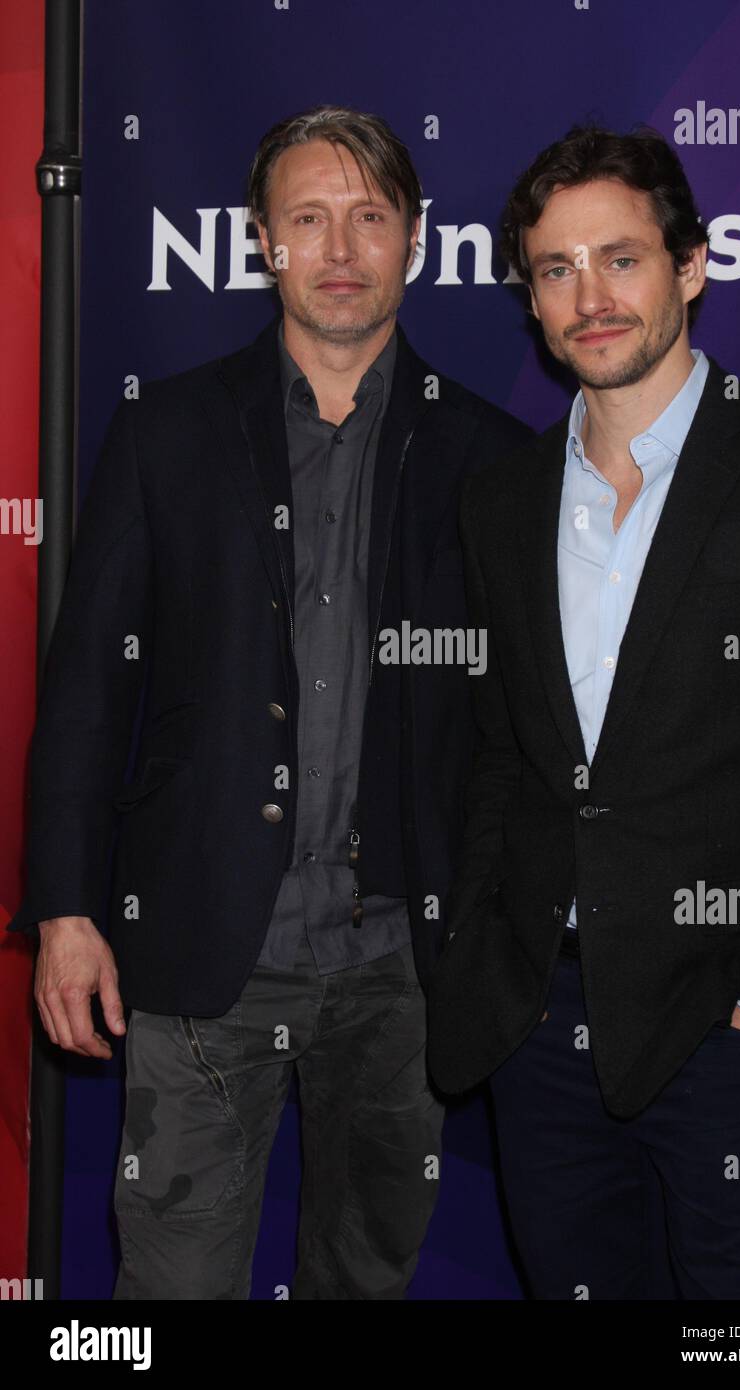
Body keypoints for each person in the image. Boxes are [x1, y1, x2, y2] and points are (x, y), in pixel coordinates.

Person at [7, 104, 532, 1300]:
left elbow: (513, 739)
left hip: (403, 966)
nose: (338, 248)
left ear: (413, 239)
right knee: (172, 1286)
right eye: (307, 218)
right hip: (198, 945)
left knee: (365, 1278)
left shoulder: (494, 458)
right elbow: (88, 687)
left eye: (367, 218)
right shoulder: (163, 434)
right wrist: (68, 912)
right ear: (260, 241)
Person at [426, 123, 740, 1300]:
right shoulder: (500, 501)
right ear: (529, 298)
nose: (589, 297)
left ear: (692, 264)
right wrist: (490, 969)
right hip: (543, 1027)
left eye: (618, 259)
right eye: (556, 270)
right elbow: (501, 759)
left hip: (734, 1028)